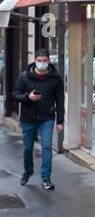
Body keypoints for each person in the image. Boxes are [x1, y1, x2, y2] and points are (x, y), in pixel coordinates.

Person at [12, 47, 64, 190]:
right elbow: (15, 94)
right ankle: (28, 171)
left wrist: (60, 121)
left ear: (49, 61)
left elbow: (60, 100)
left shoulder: (56, 78)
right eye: (39, 61)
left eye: (45, 61)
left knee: (46, 147)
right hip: (28, 118)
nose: (42, 63)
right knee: (28, 148)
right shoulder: (25, 76)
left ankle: (46, 178)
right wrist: (28, 97)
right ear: (34, 61)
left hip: (47, 117)